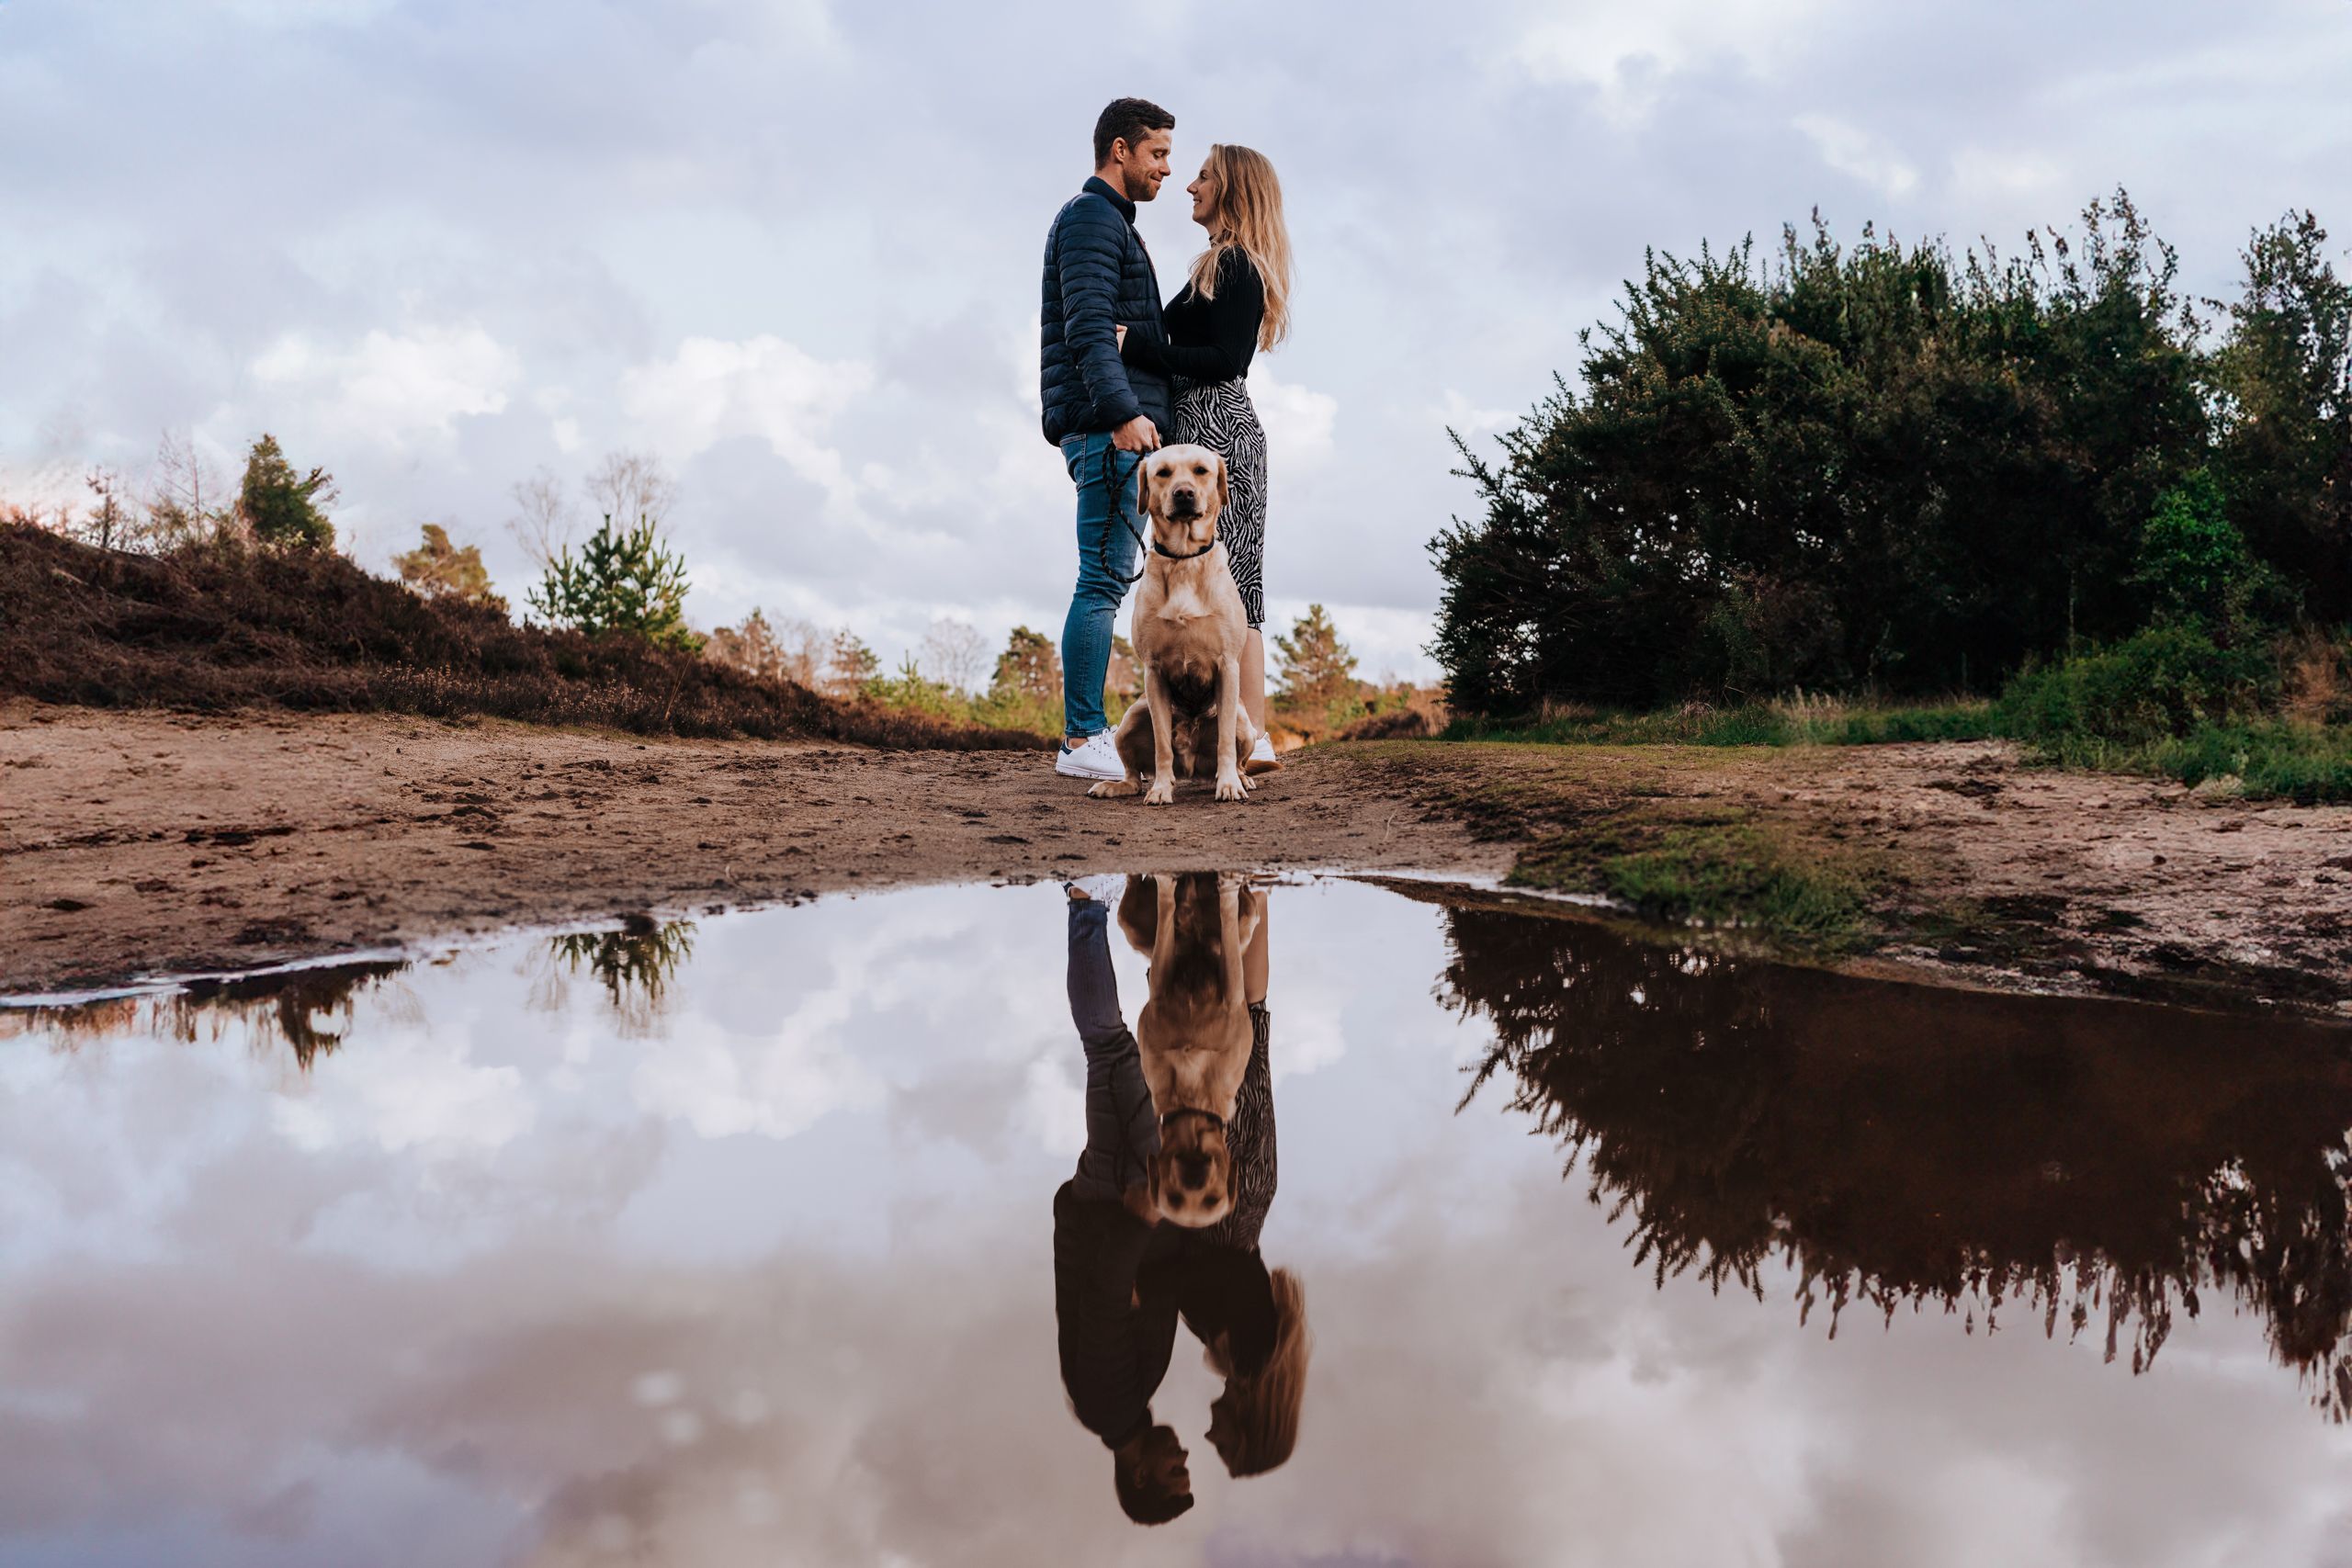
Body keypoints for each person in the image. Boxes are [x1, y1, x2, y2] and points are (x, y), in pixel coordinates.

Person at [1118, 143, 1295, 775]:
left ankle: (1256, 736)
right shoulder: (1212, 265)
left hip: (1224, 434)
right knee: (1213, 584)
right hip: (1194, 434)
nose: (1189, 185)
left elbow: (1226, 360)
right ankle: (1221, 739)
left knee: (1238, 589)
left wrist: (1133, 343)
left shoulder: (1239, 265)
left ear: (1233, 190)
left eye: (1203, 176)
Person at [1040, 98, 1177, 782]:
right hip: (1105, 431)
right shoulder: (1094, 217)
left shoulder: (1108, 221)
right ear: (1119, 150)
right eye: (1157, 155)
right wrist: (1124, 413)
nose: (1166, 169)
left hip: (1109, 429)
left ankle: (1084, 734)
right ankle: (1081, 738)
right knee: (1100, 580)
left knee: (1106, 579)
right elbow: (1089, 326)